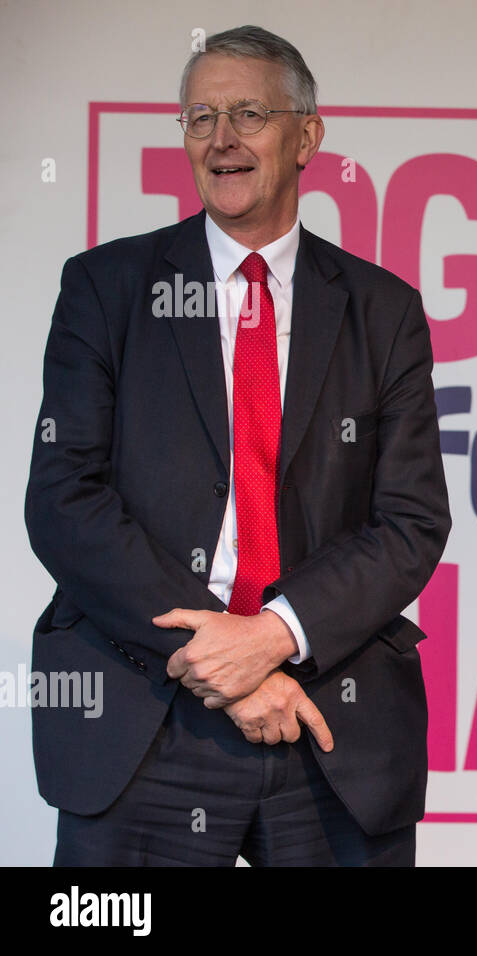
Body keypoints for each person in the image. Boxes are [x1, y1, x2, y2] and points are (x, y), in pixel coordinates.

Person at [25, 24, 451, 866]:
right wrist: (220, 654)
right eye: (199, 118)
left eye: (248, 114)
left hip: (327, 718)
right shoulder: (105, 289)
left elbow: (410, 524)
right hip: (143, 714)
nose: (221, 139)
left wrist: (273, 638)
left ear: (307, 135)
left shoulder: (383, 310)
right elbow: (63, 498)